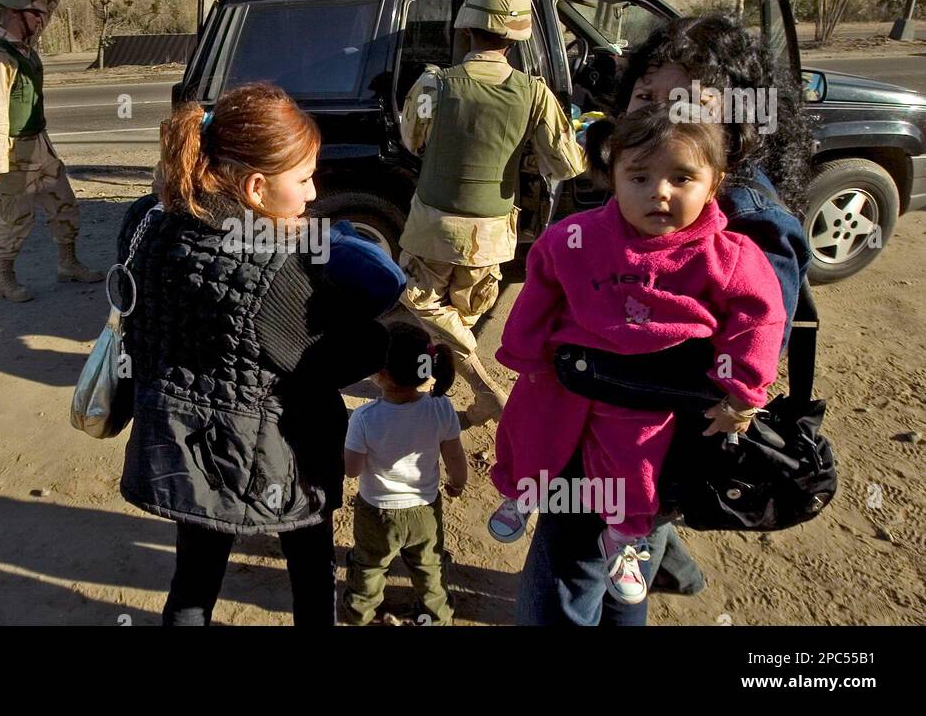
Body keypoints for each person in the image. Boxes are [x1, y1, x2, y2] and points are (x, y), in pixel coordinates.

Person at [514, 14, 814, 624]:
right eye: (645, 95)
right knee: (625, 562)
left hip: (645, 438)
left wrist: (586, 357)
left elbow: (752, 340)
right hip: (605, 432)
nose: (658, 111)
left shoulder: (745, 218)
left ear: (734, 120)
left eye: (685, 101)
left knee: (568, 577)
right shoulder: (649, 177)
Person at [116, 83, 405, 625]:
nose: (313, 192)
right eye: (302, 179)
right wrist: (331, 238)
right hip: (282, 459)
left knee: (194, 580)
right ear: (254, 188)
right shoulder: (281, 272)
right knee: (310, 570)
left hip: (186, 448)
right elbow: (372, 327)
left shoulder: (149, 225)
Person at [486, 105, 786, 604]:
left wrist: (743, 391)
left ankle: (625, 540)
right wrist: (524, 350)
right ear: (614, 178)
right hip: (565, 373)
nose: (659, 192)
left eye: (682, 177)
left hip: (647, 390)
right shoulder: (574, 237)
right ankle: (520, 492)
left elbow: (760, 317)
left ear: (714, 185)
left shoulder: (728, 256)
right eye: (640, 176)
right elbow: (540, 285)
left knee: (635, 465)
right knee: (529, 430)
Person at [398, 0, 587, 427]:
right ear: (517, 35)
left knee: (420, 301)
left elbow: (411, 140)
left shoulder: (433, 84)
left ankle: (484, 388)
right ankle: (452, 386)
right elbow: (563, 165)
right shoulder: (535, 92)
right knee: (459, 316)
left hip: (433, 225)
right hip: (491, 233)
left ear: (466, 29)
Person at [0, 0, 102, 302]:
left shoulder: (23, 42)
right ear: (16, 14)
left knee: (65, 204)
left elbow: (44, 3)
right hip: (14, 150)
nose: (44, 20)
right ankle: (5, 278)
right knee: (15, 218)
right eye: (37, 15)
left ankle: (68, 264)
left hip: (40, 145)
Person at [341, 322, 466, 626]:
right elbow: (455, 458)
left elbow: (352, 470)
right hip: (425, 510)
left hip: (376, 512)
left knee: (369, 565)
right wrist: (457, 483)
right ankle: (437, 615)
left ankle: (360, 614)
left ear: (380, 374)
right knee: (429, 565)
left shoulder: (363, 418)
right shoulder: (441, 407)